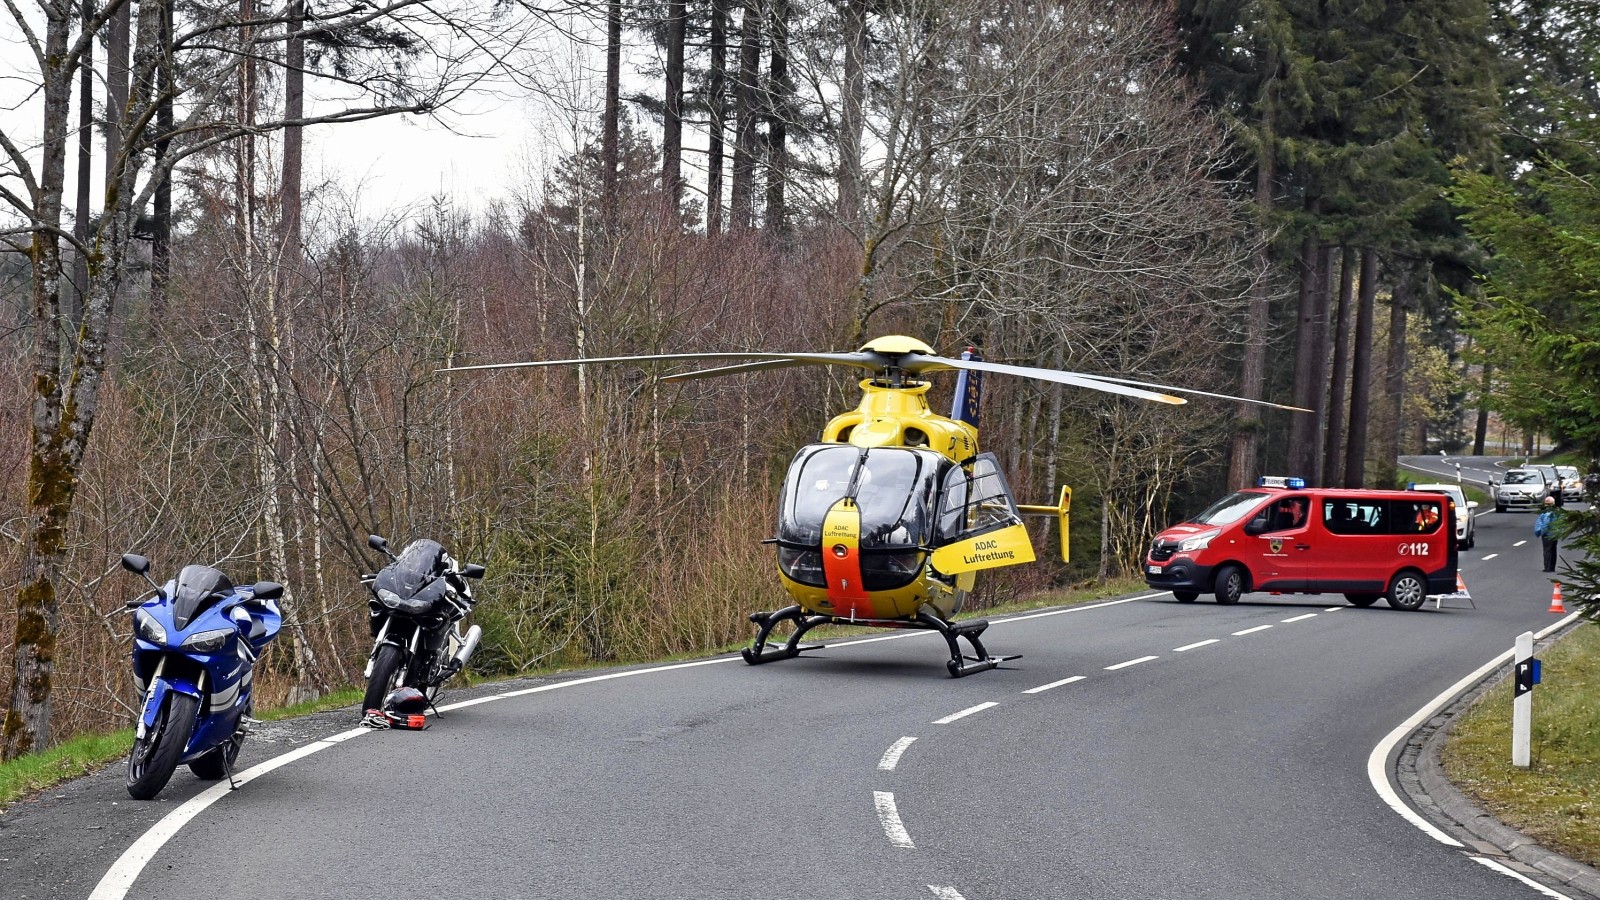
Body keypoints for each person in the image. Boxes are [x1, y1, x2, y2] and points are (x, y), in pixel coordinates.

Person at [1534, 495, 1559, 573]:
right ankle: (1552, 567)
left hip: (1547, 534)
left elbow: (1545, 524)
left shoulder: (1546, 513)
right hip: (1555, 533)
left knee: (1547, 550)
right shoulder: (1557, 512)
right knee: (1553, 550)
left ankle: (1547, 567)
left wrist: (1541, 532)